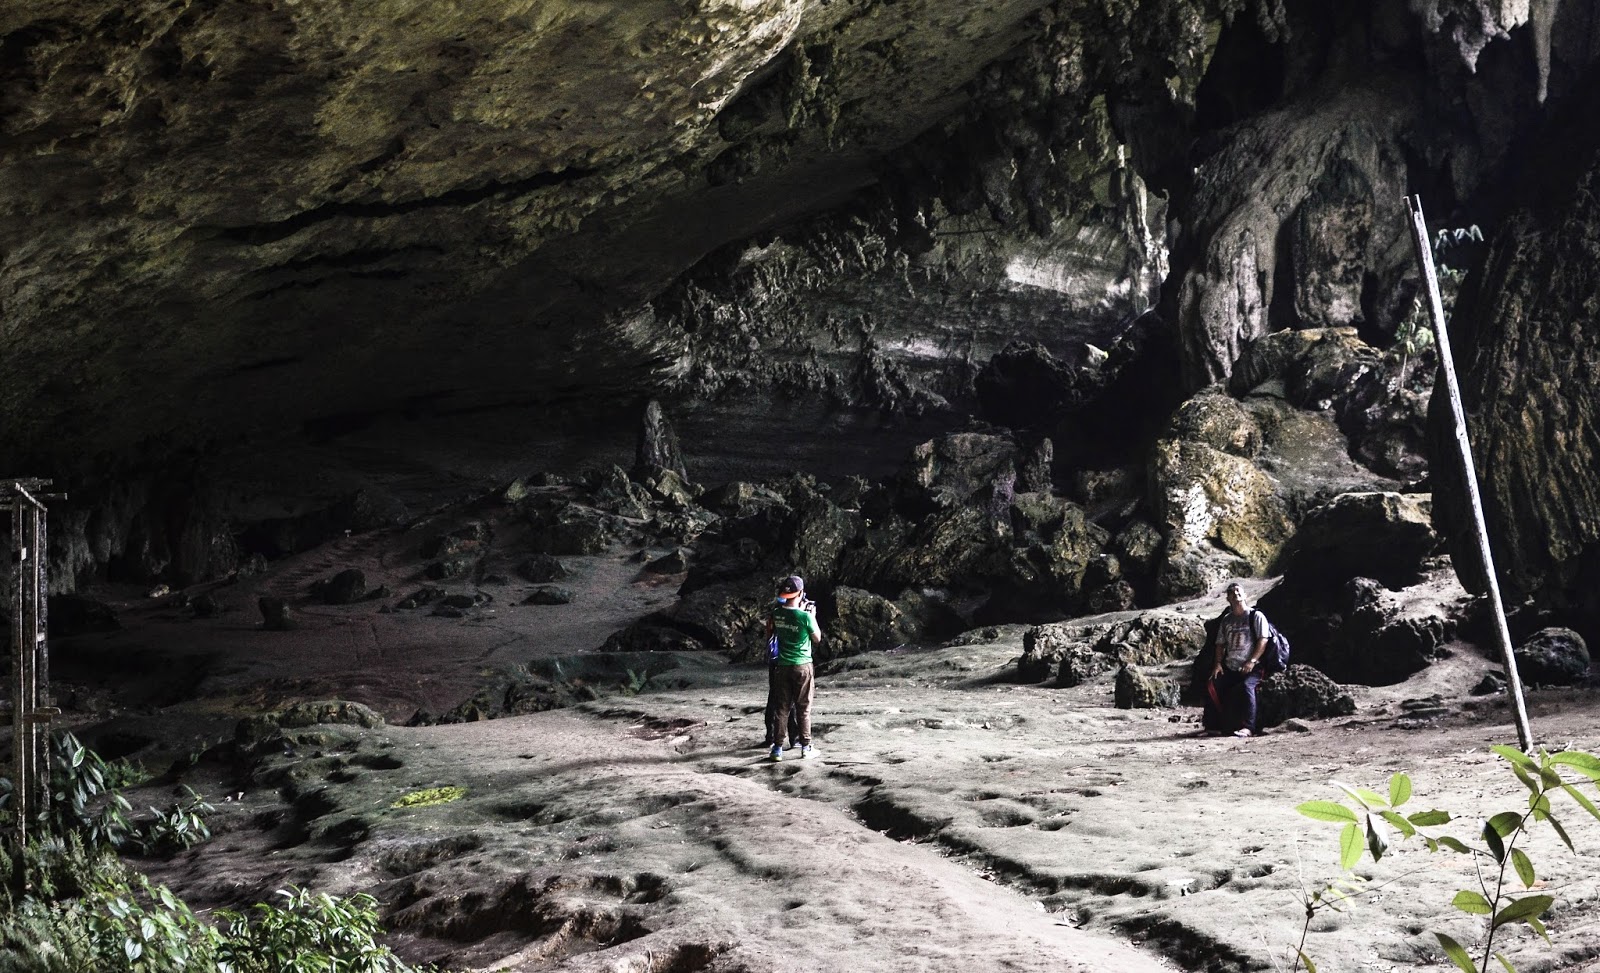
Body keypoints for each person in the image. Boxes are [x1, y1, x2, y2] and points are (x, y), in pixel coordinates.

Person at [1203, 582, 1271, 738]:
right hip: (1230, 666)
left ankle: (1248, 728)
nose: (1236, 594)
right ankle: (1213, 726)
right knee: (1212, 684)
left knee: (1248, 687)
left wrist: (1252, 661)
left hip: (1253, 667)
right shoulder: (1227, 620)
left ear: (1245, 595)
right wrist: (1218, 664)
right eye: (1232, 592)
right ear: (1228, 598)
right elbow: (1220, 644)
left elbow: (1263, 640)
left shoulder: (1256, 616)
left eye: (1238, 591)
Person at [765, 575, 822, 762]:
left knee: (782, 709)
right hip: (802, 665)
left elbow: (770, 633)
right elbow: (817, 639)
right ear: (801, 593)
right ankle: (806, 747)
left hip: (782, 666)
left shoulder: (776, 614)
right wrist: (812, 617)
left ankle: (777, 749)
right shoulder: (805, 616)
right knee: (803, 708)